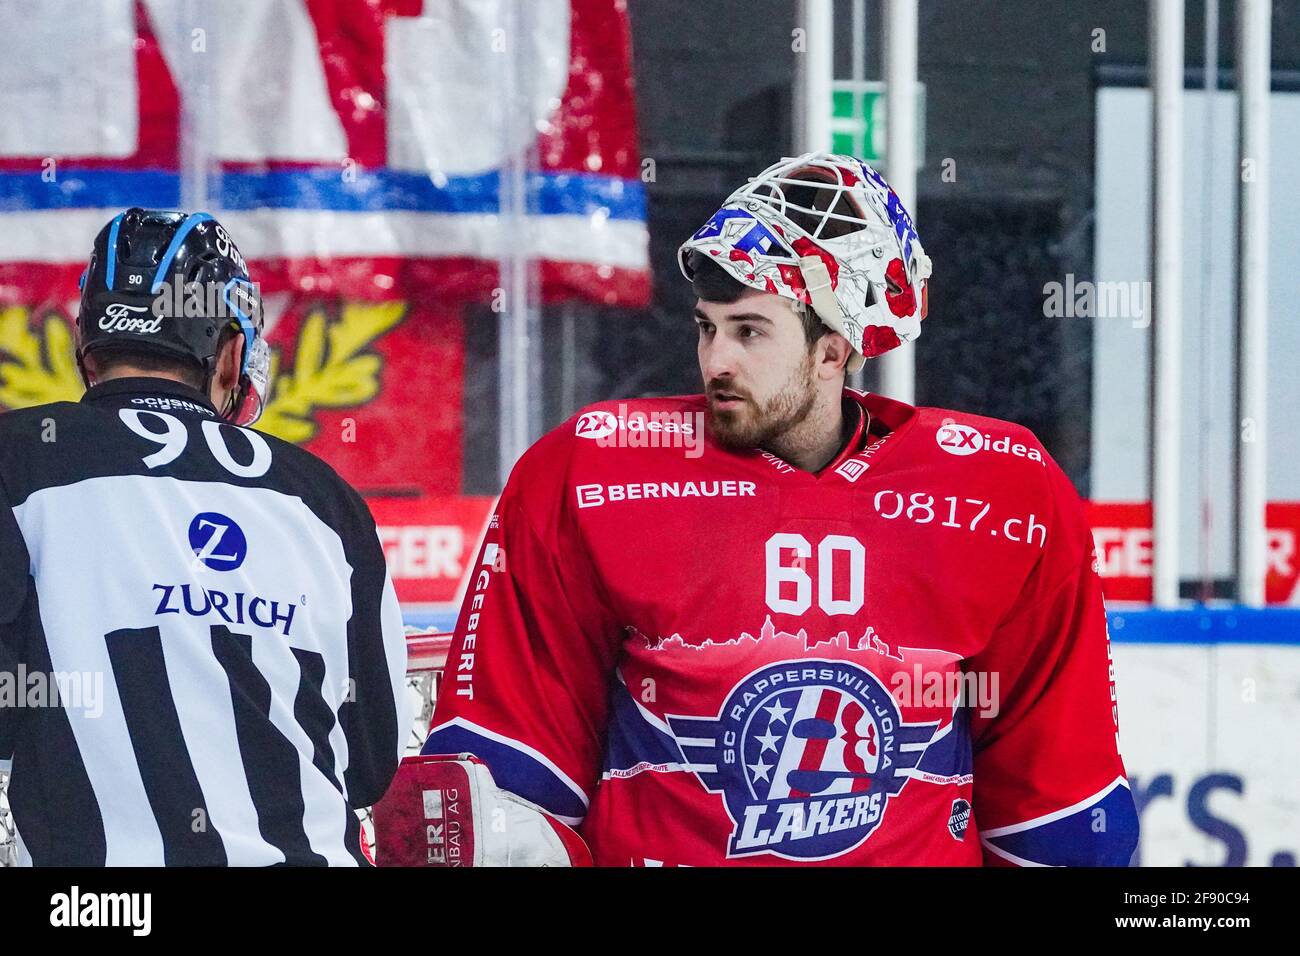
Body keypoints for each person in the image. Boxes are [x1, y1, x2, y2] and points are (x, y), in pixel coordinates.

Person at [380, 152, 1138, 866]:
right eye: (707, 327)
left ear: (833, 351)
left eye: (749, 331)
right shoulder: (591, 472)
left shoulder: (1002, 491)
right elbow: (518, 778)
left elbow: (1057, 807)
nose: (716, 360)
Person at [0, 208, 408, 866]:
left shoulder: (18, 459)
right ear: (229, 352)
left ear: (87, 350)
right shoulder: (324, 498)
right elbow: (370, 760)